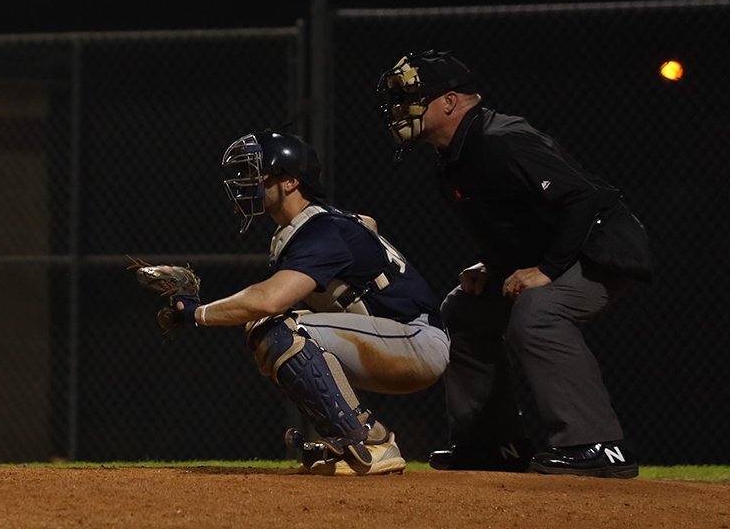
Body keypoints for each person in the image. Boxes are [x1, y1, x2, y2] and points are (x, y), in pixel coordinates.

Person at [377, 52, 653, 477]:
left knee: (538, 313)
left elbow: (580, 198)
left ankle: (600, 446)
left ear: (450, 102)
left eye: (413, 98)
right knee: (461, 313)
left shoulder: (499, 138)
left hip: (602, 246)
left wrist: (545, 270)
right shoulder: (452, 157)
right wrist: (495, 265)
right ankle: (493, 445)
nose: (401, 110)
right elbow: (517, 222)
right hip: (557, 248)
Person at [156, 132, 450, 474]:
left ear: (291, 181)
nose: (248, 182)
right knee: (269, 332)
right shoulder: (311, 226)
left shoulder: (319, 230)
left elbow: (268, 299)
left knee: (277, 330)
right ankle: (351, 441)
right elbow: (367, 224)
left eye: (258, 173)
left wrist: (196, 313)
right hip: (397, 335)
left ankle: (368, 441)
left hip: (416, 341)